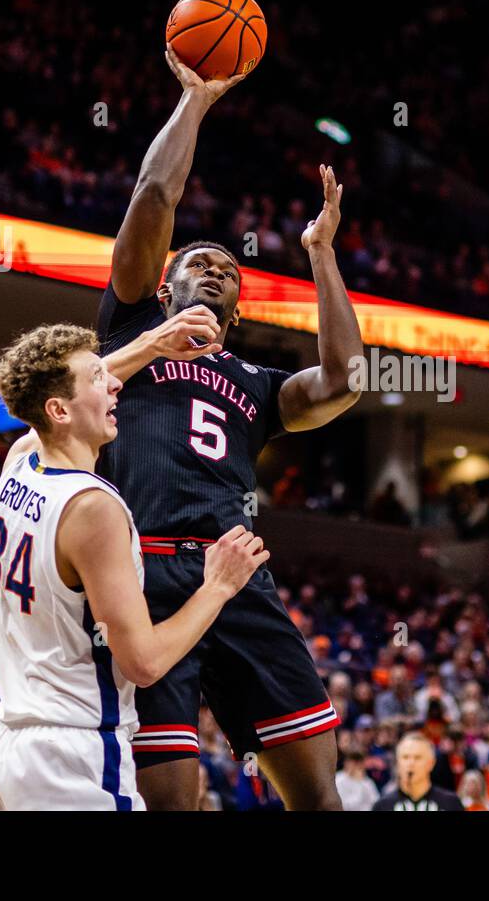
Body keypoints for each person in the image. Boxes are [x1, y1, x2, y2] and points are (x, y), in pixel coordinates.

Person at [95, 46, 363, 811]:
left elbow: (346, 381)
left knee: (320, 795)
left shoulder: (256, 383)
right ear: (165, 281)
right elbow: (153, 191)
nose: (215, 269)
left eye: (228, 270)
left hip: (236, 573)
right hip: (142, 574)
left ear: (240, 309)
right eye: (198, 262)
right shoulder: (132, 327)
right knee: (172, 801)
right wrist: (197, 101)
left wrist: (321, 255)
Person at [0, 323, 267, 810]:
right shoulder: (92, 508)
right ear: (59, 410)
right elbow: (144, 663)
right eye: (96, 377)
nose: (114, 383)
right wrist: (217, 585)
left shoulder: (22, 461)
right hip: (72, 758)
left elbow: (61, 394)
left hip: (9, 747)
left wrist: (153, 345)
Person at [371, 733, 464, 811]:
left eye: (417, 757)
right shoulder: (382, 806)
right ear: (397, 763)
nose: (411, 763)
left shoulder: (451, 803)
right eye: (405, 757)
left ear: (431, 763)